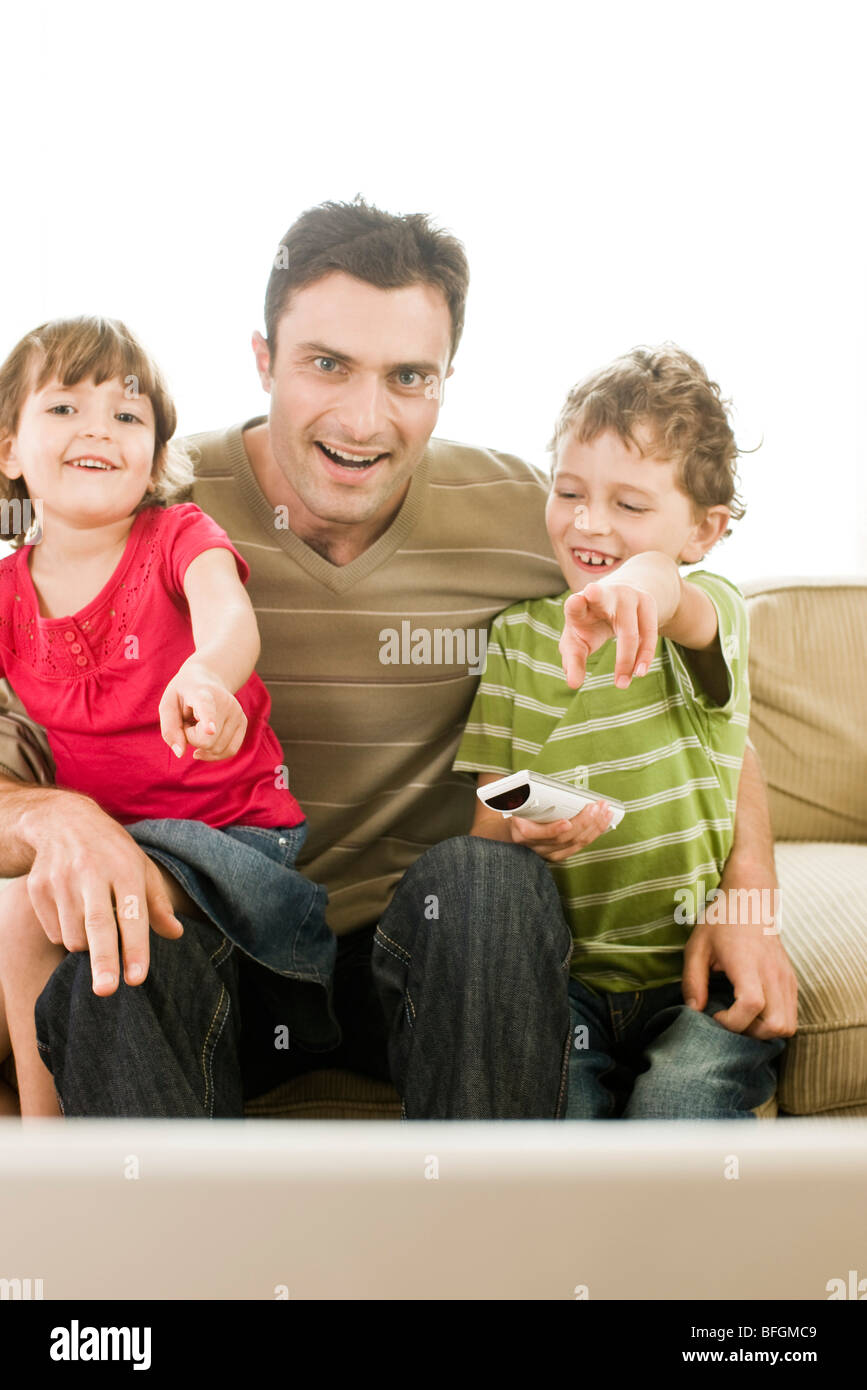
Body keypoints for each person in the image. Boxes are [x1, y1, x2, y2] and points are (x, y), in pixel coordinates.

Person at [0, 200, 796, 1119]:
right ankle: (169, 1247)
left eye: (408, 376)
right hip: (224, 943)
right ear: (262, 358)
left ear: (447, 379)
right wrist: (59, 818)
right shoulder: (140, 497)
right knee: (110, 951)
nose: (364, 418)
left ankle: (489, 1237)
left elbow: (699, 680)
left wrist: (748, 902)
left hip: (423, 959)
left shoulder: (541, 514)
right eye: (326, 364)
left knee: (487, 879)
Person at [0, 316, 337, 1117]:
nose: (99, 430)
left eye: (126, 415)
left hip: (231, 847)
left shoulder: (178, 535)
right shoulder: (8, 594)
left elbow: (230, 621)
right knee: (23, 902)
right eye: (63, 409)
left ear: (154, 454)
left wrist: (208, 678)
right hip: (108, 842)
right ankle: (48, 1137)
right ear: (8, 449)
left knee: (85, 892)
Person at [446, 345, 791, 1117]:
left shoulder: (706, 615)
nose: (586, 522)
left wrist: (645, 579)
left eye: (629, 507)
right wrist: (524, 828)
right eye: (568, 491)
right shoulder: (515, 639)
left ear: (702, 529)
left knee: (678, 1106)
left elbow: (676, 599)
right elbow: (486, 820)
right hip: (561, 984)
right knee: (559, 1131)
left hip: (698, 977)